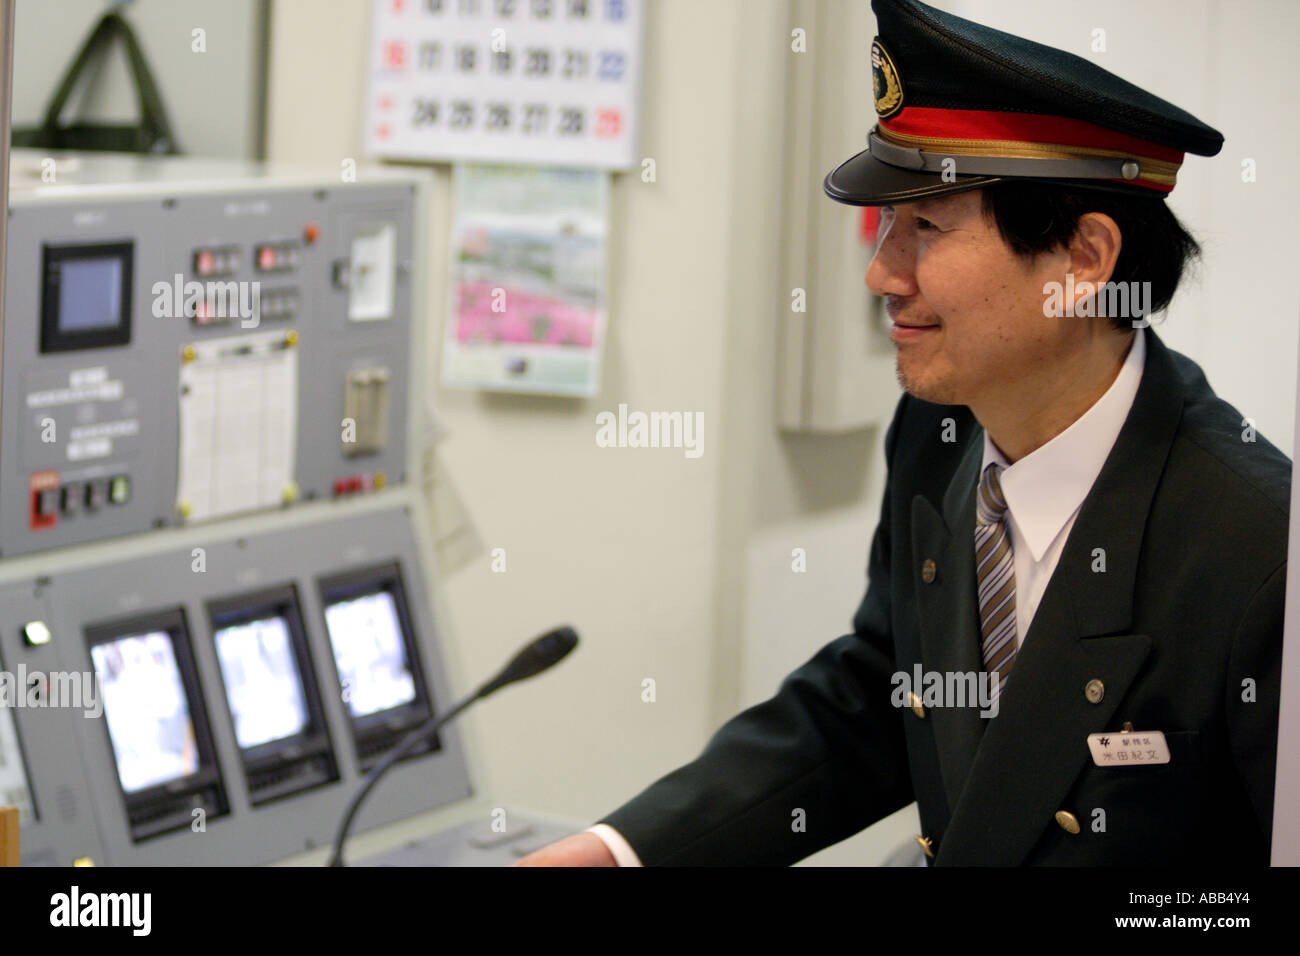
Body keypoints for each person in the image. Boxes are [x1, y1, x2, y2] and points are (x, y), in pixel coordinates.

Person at [515, 0, 1288, 866]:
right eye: (887, 225)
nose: (883, 270)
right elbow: (886, 699)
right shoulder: (938, 432)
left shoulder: (1259, 549)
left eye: (926, 227)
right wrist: (620, 850)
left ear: (1084, 260)